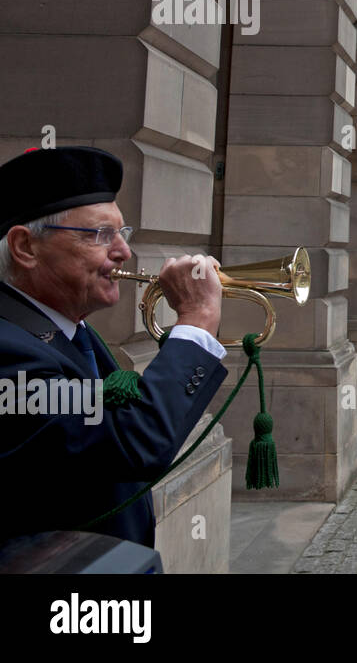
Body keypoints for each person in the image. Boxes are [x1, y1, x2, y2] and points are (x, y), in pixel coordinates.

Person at [0, 146, 229, 548]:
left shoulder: (71, 332)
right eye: (100, 235)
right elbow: (136, 441)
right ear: (25, 248)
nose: (123, 251)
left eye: (122, 234)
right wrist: (195, 318)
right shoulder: (9, 350)